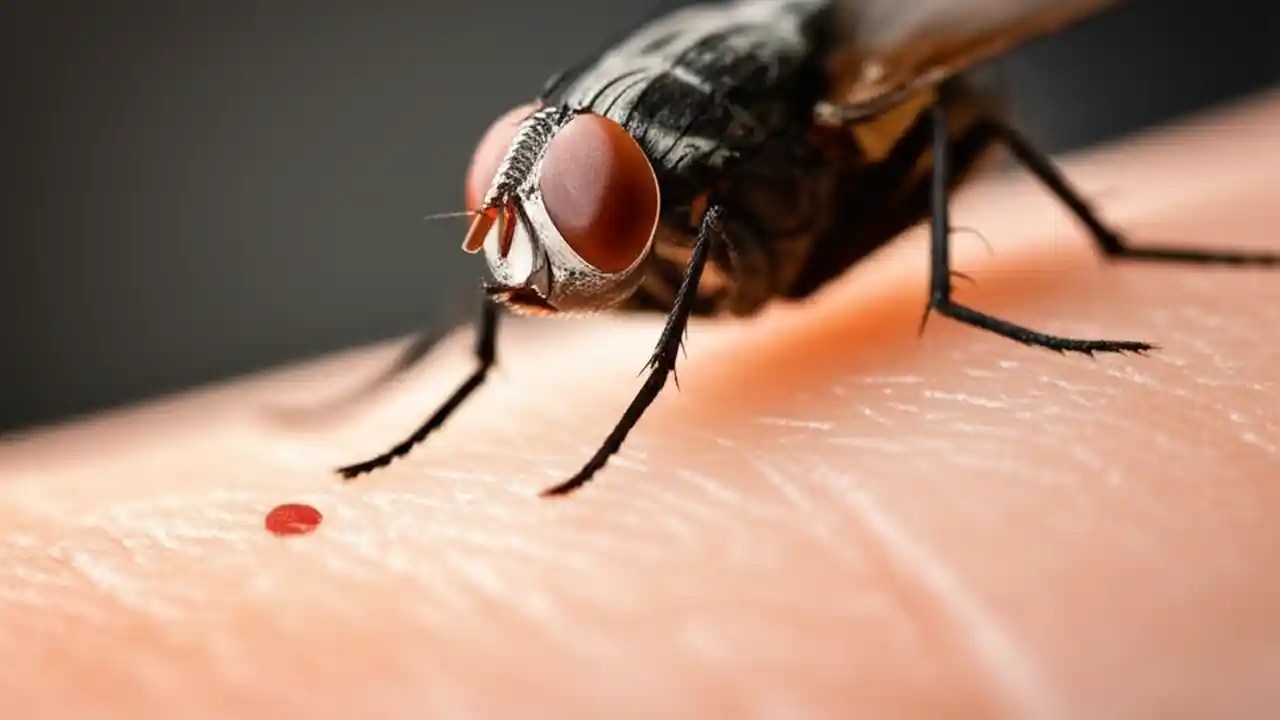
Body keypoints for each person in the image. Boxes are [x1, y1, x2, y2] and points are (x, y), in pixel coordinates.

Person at [1, 92, 1277, 718]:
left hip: (809, 140)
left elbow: (940, 124)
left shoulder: (711, 192)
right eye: (507, 205)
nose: (509, 248)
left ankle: (1024, 280)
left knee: (951, 119)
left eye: (540, 205)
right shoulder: (600, 162)